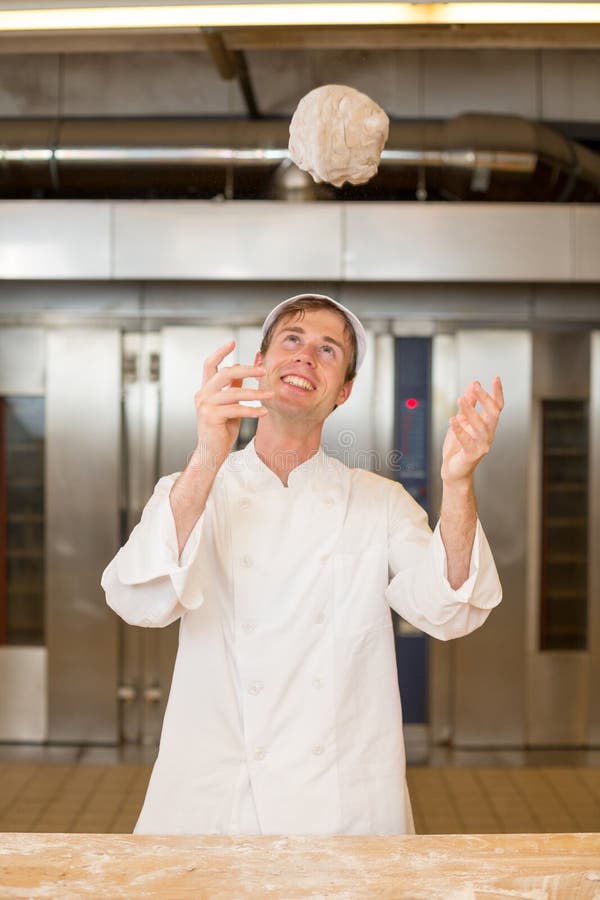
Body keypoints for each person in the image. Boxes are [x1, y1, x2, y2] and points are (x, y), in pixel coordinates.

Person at [101, 293, 504, 836]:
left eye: (328, 350)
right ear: (260, 364)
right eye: (292, 340)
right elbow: (137, 599)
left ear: (344, 391)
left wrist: (457, 485)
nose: (306, 356)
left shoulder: (378, 500)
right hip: (218, 801)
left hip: (341, 804)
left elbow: (449, 607)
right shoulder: (194, 489)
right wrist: (206, 456)